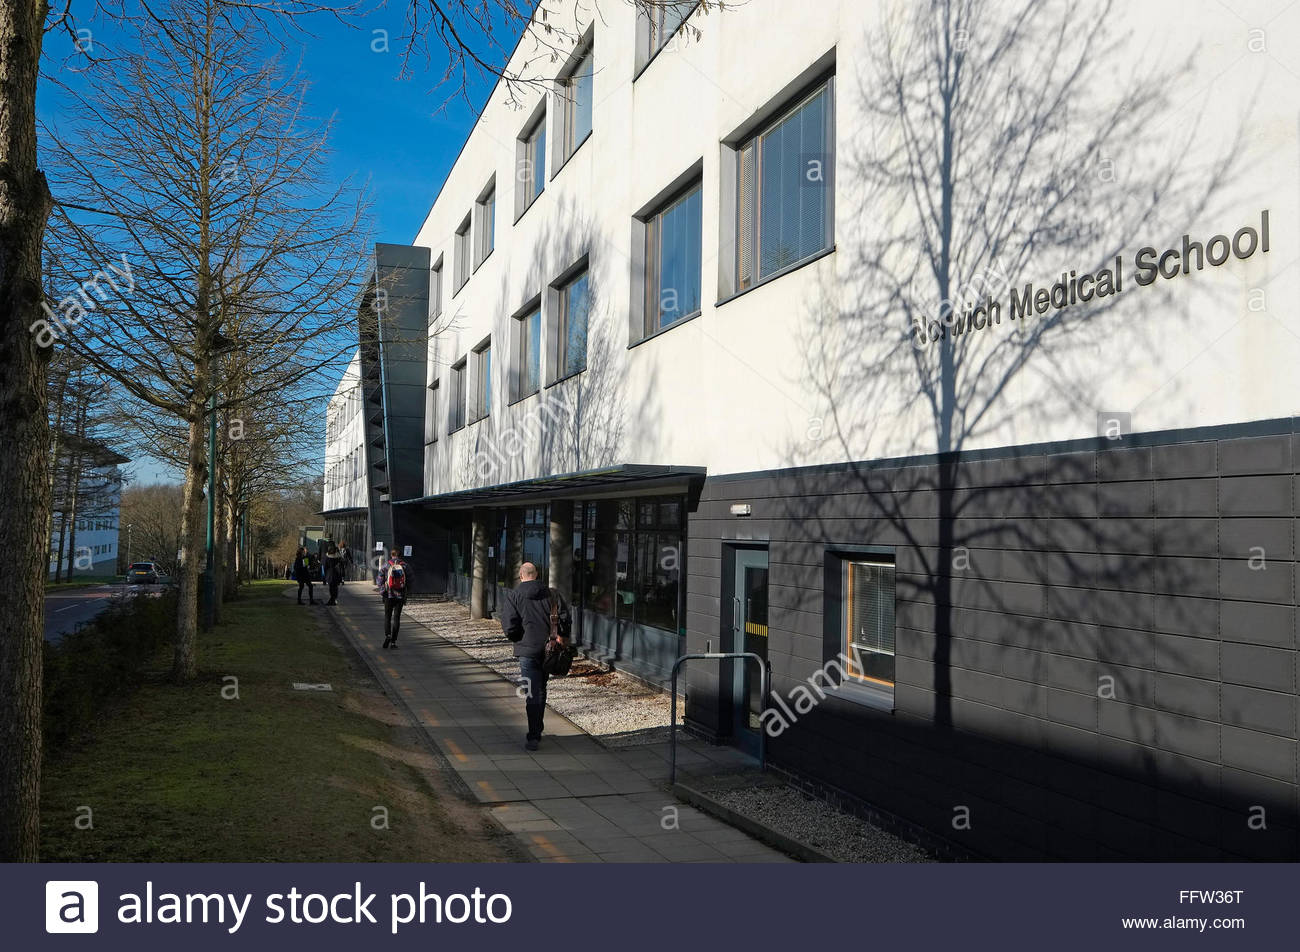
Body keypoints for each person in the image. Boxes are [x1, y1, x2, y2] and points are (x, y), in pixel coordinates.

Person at [498, 561, 571, 751]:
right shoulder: (552, 594)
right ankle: (537, 728)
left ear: (521, 576)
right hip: (550, 649)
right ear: (537, 574)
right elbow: (564, 619)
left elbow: (508, 625)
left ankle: (534, 735)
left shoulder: (514, 595)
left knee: (532, 691)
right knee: (541, 688)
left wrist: (517, 638)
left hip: (527, 650)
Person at [378, 548, 411, 649]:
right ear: (400, 555)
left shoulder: (386, 565)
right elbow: (410, 580)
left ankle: (387, 635)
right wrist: (406, 591)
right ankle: (393, 642)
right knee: (397, 618)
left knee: (387, 617)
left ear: (391, 555)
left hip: (388, 595)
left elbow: (379, 580)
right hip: (400, 596)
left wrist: (383, 591)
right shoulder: (405, 566)